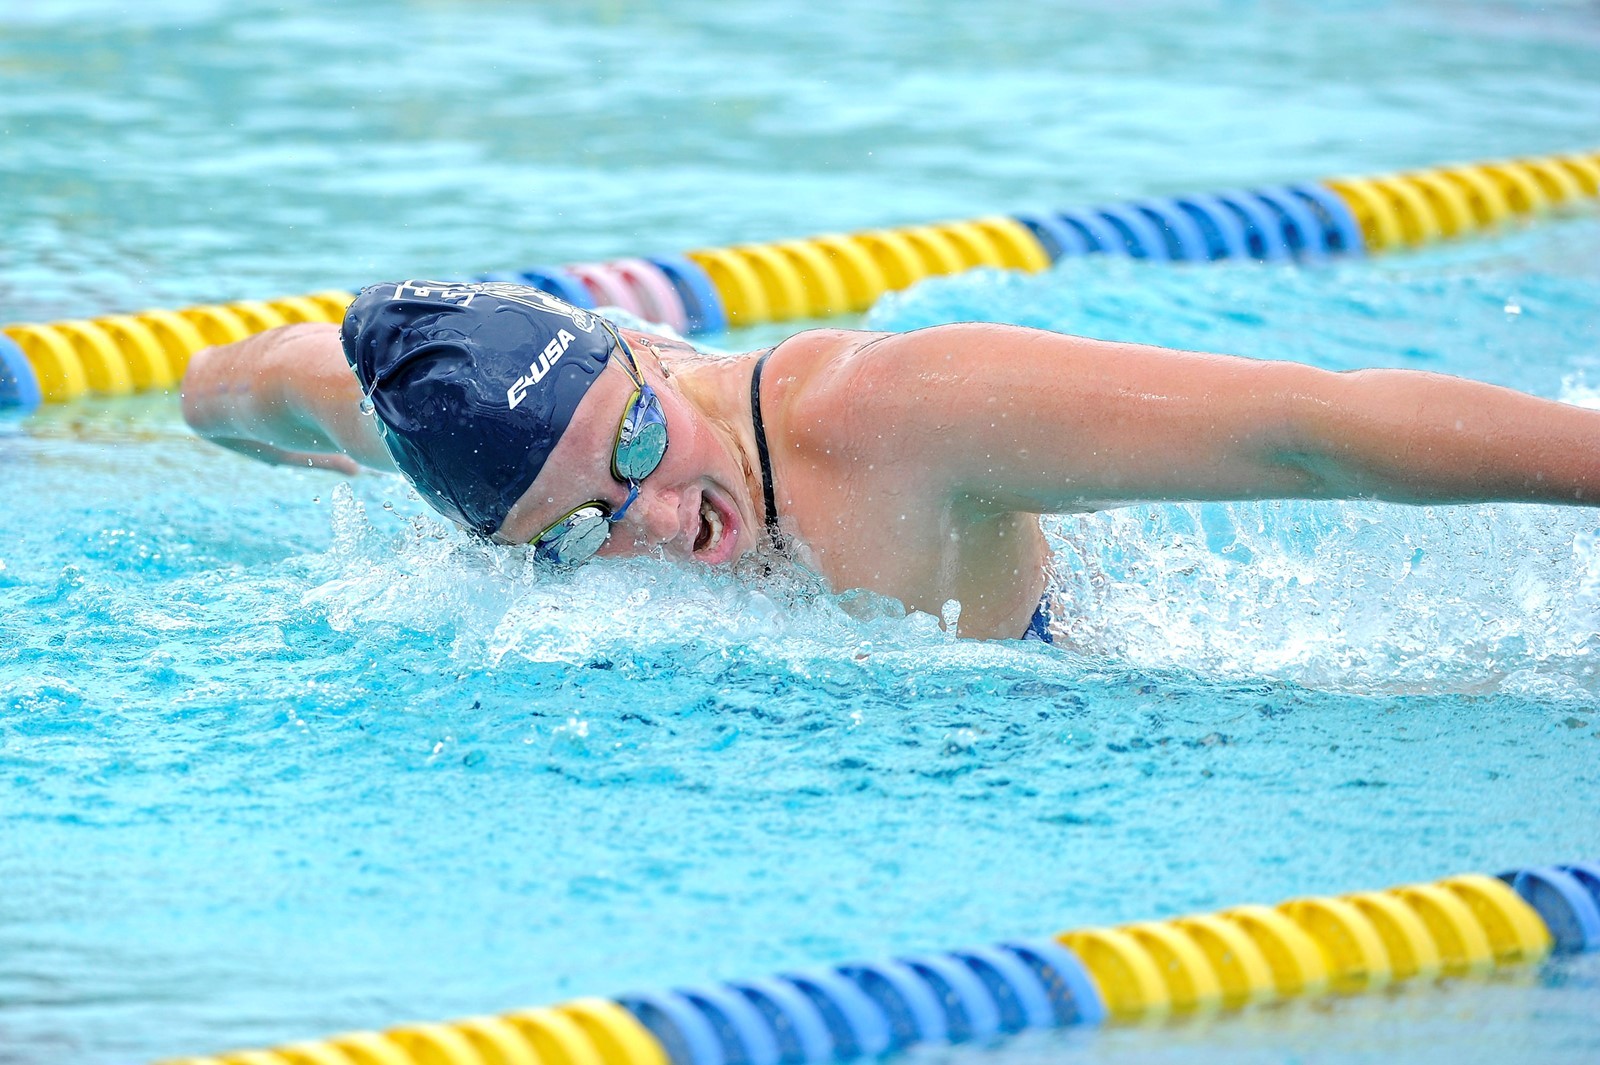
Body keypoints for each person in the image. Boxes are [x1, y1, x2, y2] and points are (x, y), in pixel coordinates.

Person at [181, 279, 1600, 641]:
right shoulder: (442, 440)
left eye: (638, 441)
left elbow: (1313, 427)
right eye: (576, 531)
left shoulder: (894, 413)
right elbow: (241, 384)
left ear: (641, 354)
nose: (661, 521)